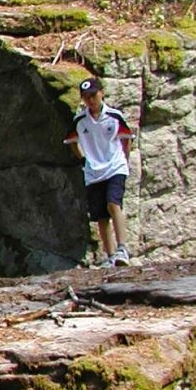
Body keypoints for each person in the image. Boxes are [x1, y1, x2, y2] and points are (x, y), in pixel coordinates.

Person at [65, 77, 136, 269]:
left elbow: (126, 138)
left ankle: (122, 248)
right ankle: (110, 255)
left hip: (114, 167)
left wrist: (123, 160)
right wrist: (83, 160)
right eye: (86, 97)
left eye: (94, 95)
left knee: (114, 204)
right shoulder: (80, 120)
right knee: (100, 215)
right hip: (93, 172)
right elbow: (71, 141)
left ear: (101, 93)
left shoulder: (114, 116)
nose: (91, 100)